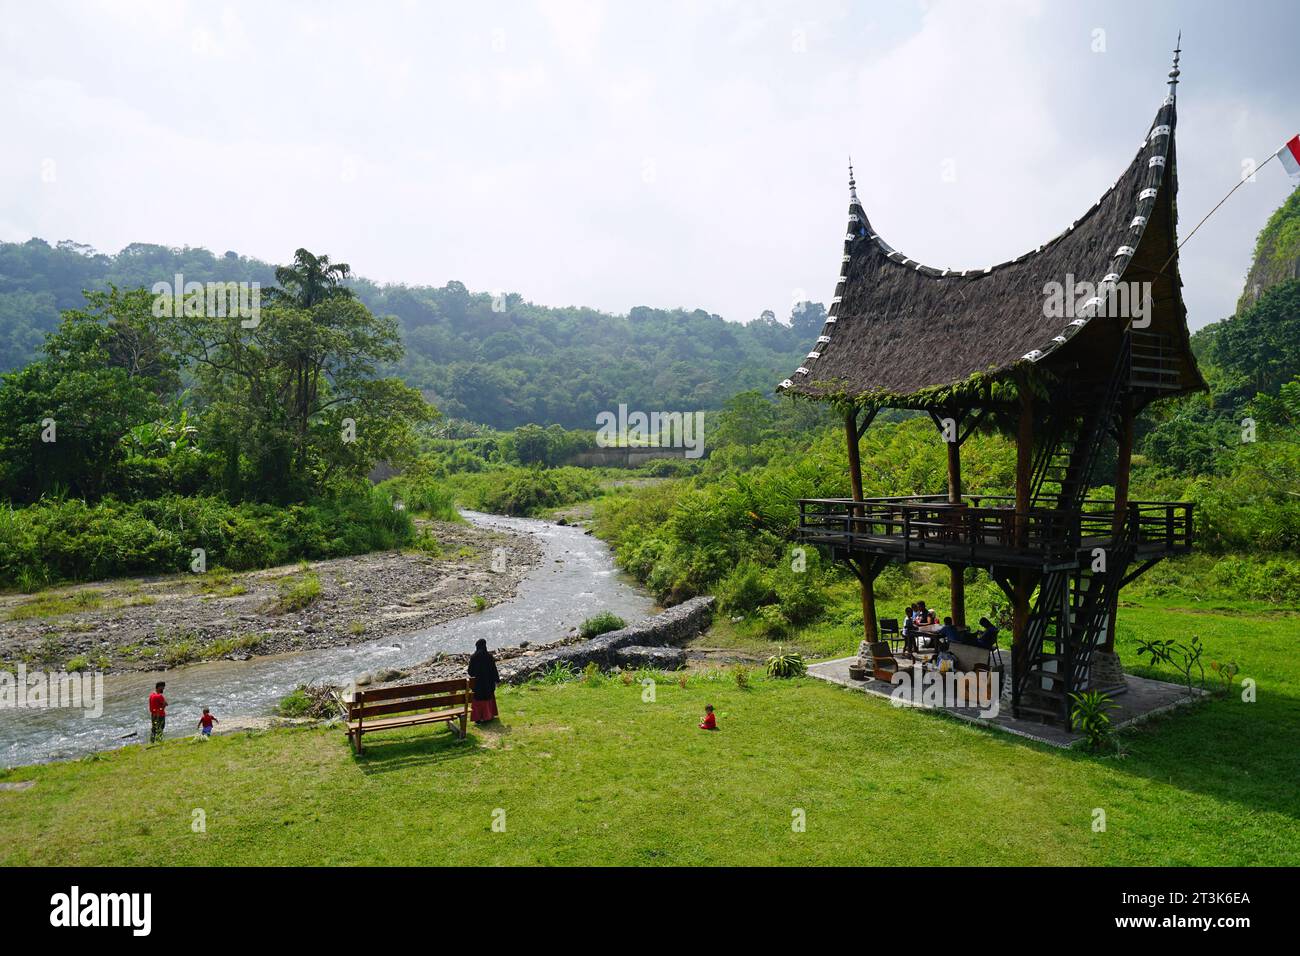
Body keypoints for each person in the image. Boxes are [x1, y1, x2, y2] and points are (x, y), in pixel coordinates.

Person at [467, 638, 500, 724]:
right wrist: (497, 680)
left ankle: (478, 718)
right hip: (488, 686)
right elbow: (494, 670)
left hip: (477, 686)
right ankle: (488, 716)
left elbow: (470, 672)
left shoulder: (474, 657)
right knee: (488, 699)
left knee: (478, 701)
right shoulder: (489, 656)